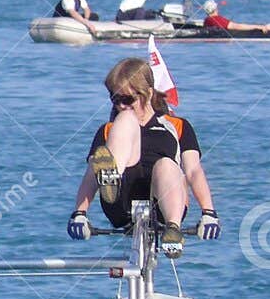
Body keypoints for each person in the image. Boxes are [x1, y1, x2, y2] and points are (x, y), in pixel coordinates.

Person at [67, 57, 220, 258]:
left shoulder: (178, 126)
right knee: (125, 120)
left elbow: (193, 170)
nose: (121, 105)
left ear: (148, 93)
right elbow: (90, 174)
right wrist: (80, 213)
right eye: (115, 99)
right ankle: (112, 178)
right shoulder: (107, 130)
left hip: (165, 202)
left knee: (166, 165)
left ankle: (172, 232)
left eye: (127, 99)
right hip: (120, 202)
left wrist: (209, 213)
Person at [200, 0, 270, 34]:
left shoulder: (207, 20)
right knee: (269, 26)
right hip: (232, 36)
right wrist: (258, 27)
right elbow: (237, 26)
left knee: (268, 26)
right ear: (216, 9)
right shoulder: (216, 19)